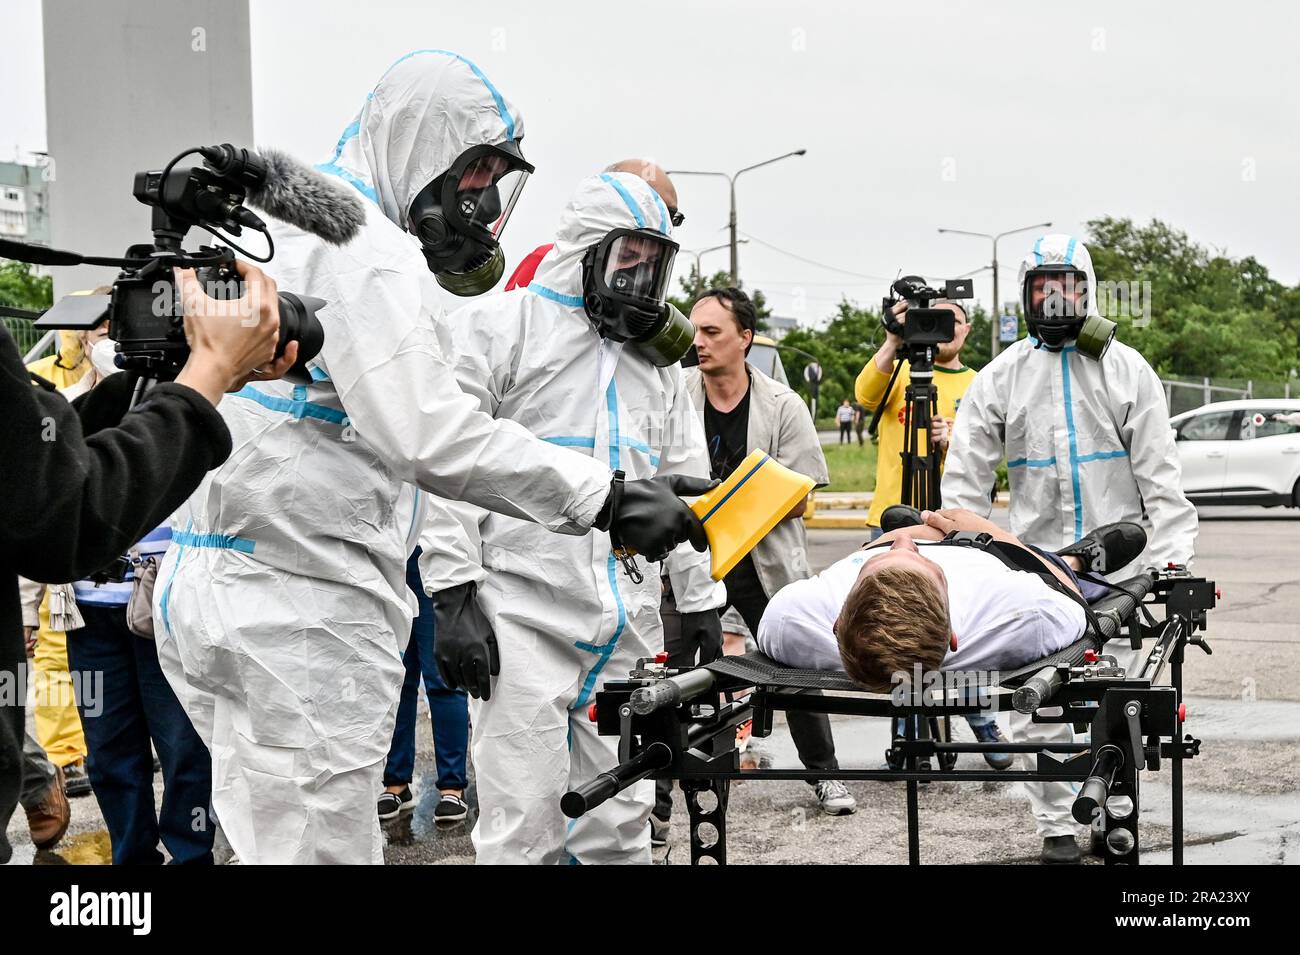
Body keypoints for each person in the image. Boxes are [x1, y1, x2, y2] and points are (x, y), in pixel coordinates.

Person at [155, 54, 709, 866]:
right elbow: (430, 434)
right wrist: (606, 498)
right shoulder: (366, 248)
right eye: (474, 171)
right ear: (425, 142)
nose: (481, 203)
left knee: (275, 842)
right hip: (303, 602)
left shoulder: (292, 221)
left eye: (495, 181)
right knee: (331, 851)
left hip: (224, 590)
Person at [414, 170, 717, 864]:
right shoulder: (501, 329)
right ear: (586, 249)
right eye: (627, 261)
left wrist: (699, 600)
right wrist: (453, 591)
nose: (641, 281)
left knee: (621, 822)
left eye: (654, 265)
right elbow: (449, 464)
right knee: (524, 828)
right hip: (521, 621)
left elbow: (687, 495)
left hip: (626, 630)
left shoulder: (656, 368)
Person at [0, 261, 286, 865]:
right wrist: (199, 380)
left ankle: (190, 854)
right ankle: (132, 862)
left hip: (159, 604)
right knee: (110, 751)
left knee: (183, 746)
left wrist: (175, 386)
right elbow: (54, 507)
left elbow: (57, 481)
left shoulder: (168, 408)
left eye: (115, 325)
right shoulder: (69, 405)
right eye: (98, 330)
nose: (102, 339)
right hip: (89, 611)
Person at [941, 232, 1198, 864]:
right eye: (1041, 288)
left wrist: (1169, 566)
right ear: (1025, 295)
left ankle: (1112, 811)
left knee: (1120, 701)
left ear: (1086, 293)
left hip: (1123, 573)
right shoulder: (1000, 378)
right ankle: (1055, 824)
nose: (1054, 300)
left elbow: (1162, 483)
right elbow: (965, 490)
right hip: (1037, 571)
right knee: (1042, 701)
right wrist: (970, 566)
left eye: (1066, 288)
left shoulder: (1126, 370)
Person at [652, 285, 854, 848]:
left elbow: (800, 495)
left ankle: (826, 775)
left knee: (797, 667)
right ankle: (660, 799)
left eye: (712, 332)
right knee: (675, 678)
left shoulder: (783, 404)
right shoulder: (676, 395)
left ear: (745, 338)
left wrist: (725, 503)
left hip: (761, 562)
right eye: (695, 331)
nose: (699, 342)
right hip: (690, 563)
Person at [854, 300, 1012, 766]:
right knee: (898, 630)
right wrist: (893, 338)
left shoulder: (978, 383)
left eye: (950, 320)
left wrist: (956, 438)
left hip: (951, 522)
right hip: (892, 519)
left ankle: (981, 719)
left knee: (962, 624)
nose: (939, 329)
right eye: (930, 319)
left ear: (966, 329)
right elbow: (865, 394)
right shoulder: (900, 370)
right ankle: (908, 738)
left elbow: (993, 452)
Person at [757, 508, 1145, 680]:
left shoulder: (792, 620)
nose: (905, 543)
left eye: (866, 574)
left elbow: (902, 546)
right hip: (980, 551)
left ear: (837, 621)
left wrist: (878, 548)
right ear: (954, 632)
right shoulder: (1025, 615)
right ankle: (1079, 557)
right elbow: (1064, 594)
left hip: (936, 553)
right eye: (922, 560)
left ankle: (899, 546)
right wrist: (988, 533)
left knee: (900, 532)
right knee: (1059, 569)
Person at [20, 318, 121, 799]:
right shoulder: (51, 385)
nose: (105, 341)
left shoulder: (150, 389)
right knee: (55, 665)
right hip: (63, 574)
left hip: (132, 583)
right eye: (97, 332)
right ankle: (66, 759)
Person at [377, 544, 470, 825]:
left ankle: (452, 786)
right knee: (396, 678)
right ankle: (395, 782)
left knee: (442, 678)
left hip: (431, 555)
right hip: (388, 555)